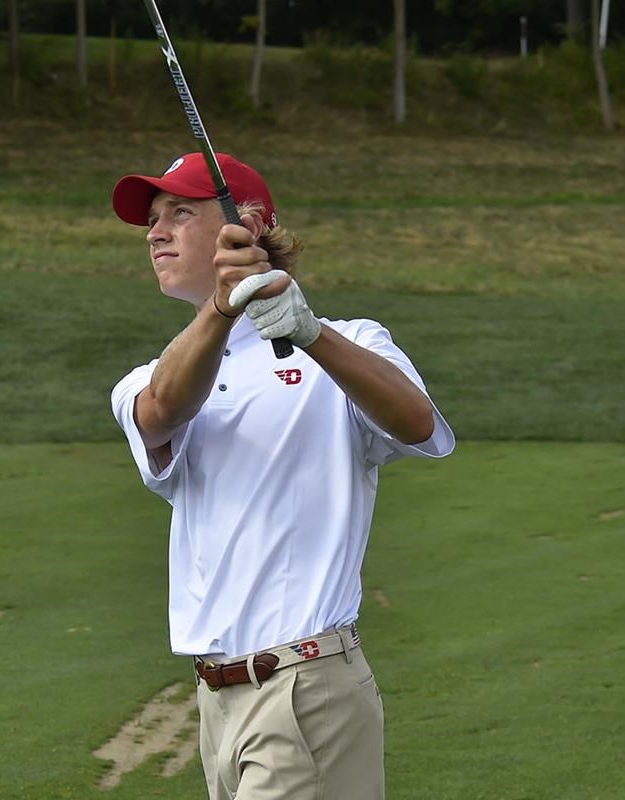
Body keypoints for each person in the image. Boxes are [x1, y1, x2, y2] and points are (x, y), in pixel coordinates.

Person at [107, 152, 456, 800]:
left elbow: (417, 423)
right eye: (153, 219)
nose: (156, 232)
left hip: (306, 686)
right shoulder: (153, 375)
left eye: (180, 212)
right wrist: (221, 308)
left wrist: (311, 334)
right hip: (215, 704)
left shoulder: (353, 342)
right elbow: (162, 410)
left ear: (252, 223)